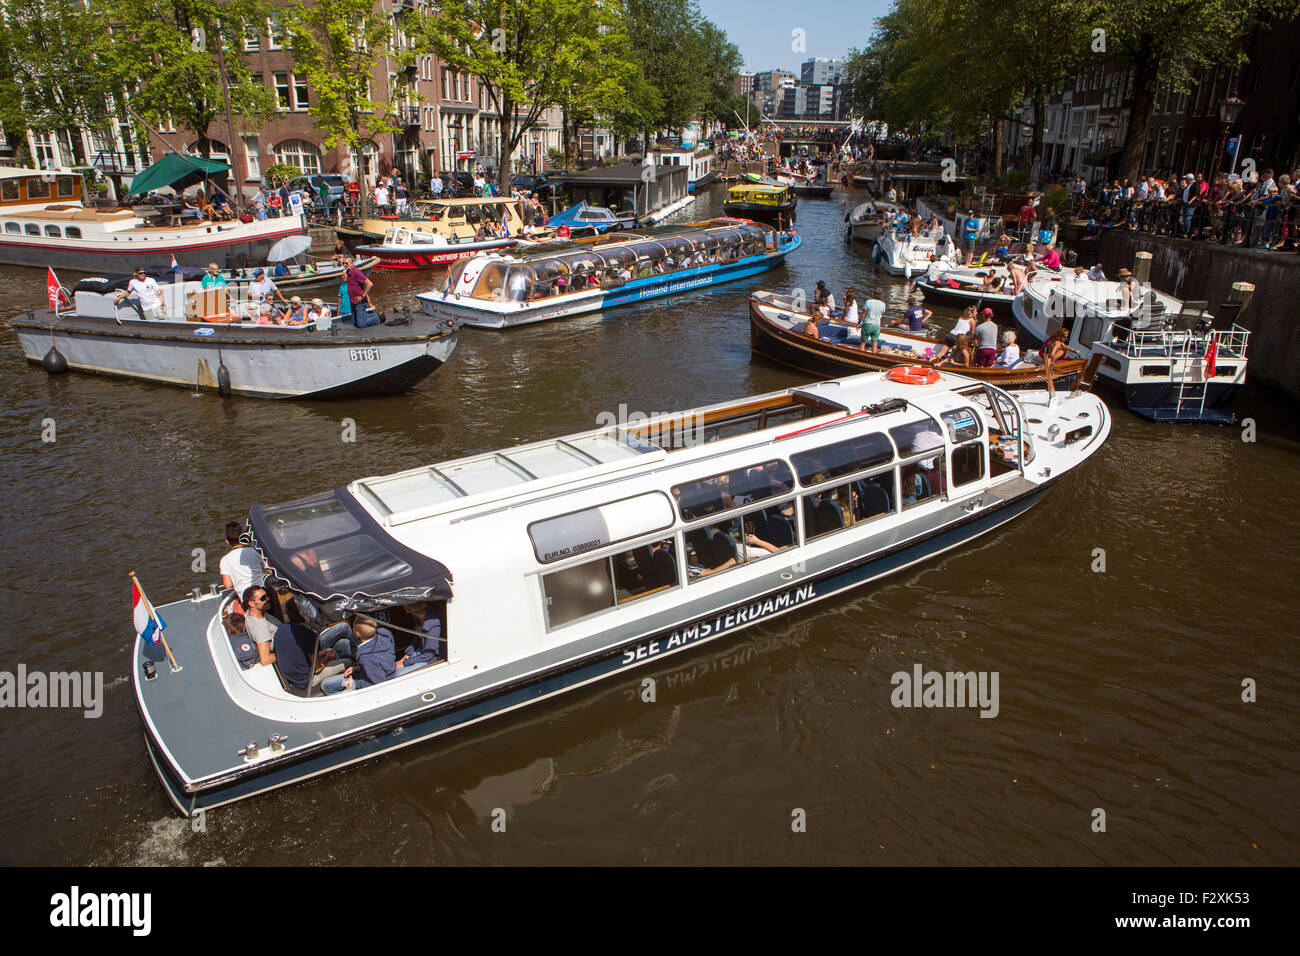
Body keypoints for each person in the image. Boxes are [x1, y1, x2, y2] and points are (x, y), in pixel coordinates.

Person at [322, 619, 396, 694]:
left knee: (326, 686)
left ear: (357, 634)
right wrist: (357, 668)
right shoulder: (385, 634)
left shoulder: (366, 657)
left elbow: (379, 683)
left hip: (372, 683)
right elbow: (379, 661)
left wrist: (355, 683)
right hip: (381, 670)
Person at [395, 603, 445, 673]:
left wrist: (405, 662)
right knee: (394, 669)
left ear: (407, 609)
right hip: (420, 651)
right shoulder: (417, 617)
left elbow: (429, 655)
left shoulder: (433, 625)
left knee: (398, 673)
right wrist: (407, 655)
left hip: (430, 659)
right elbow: (417, 636)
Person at [220, 522, 264, 599]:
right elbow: (267, 569)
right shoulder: (256, 551)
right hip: (263, 591)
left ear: (227, 541)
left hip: (247, 597)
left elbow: (228, 585)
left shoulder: (225, 560)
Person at [241, 584, 280, 668]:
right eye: (263, 598)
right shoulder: (260, 627)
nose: (268, 599)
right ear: (251, 603)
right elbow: (265, 660)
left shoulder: (252, 613)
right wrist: (290, 652)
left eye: (267, 596)